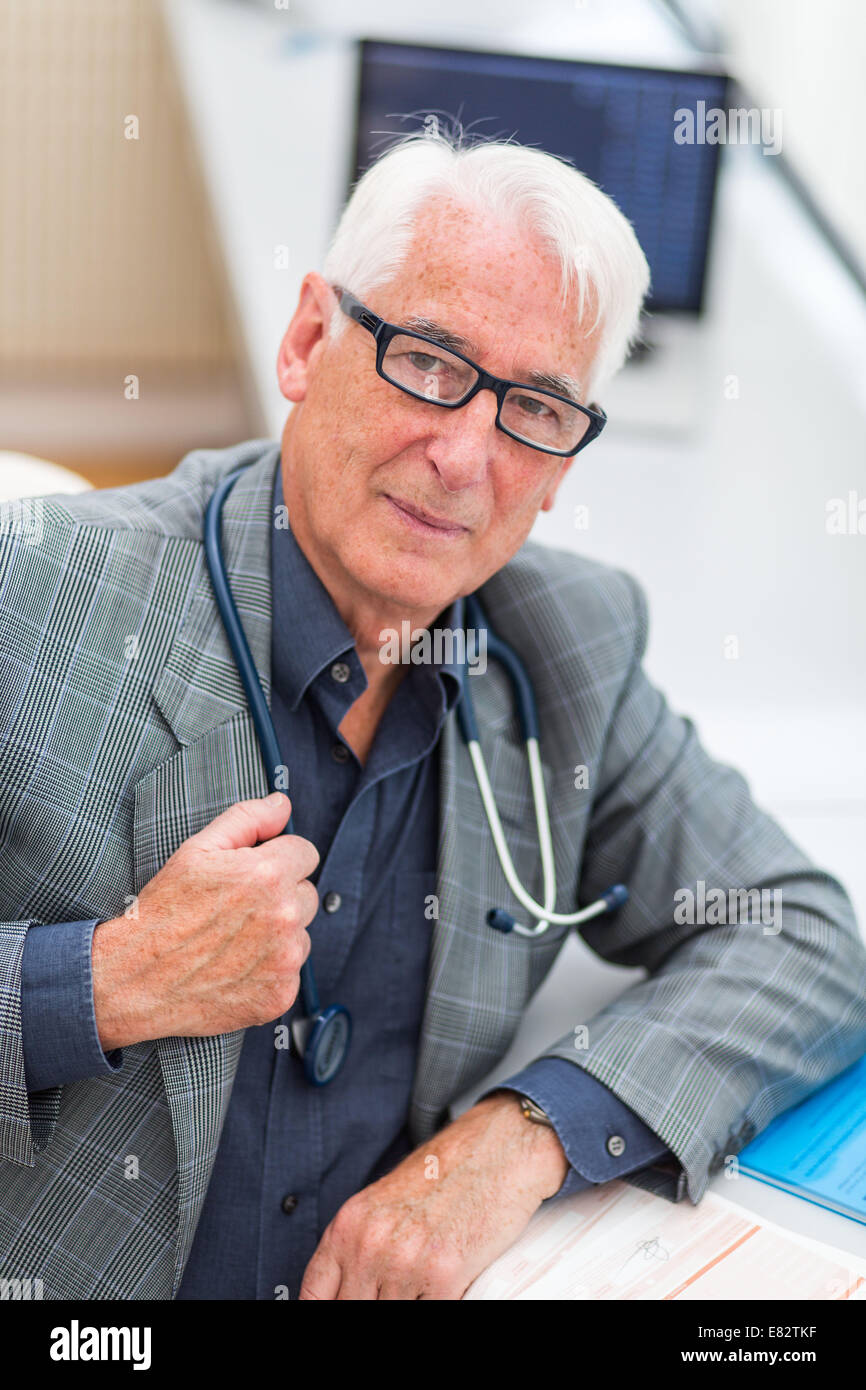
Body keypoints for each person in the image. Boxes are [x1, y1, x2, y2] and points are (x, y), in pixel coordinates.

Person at [1, 129, 864, 1302]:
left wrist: (520, 1137)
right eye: (428, 362)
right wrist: (110, 980)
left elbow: (799, 934)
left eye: (536, 411)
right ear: (309, 339)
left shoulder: (567, 648)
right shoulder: (37, 591)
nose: (464, 456)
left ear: (563, 466)